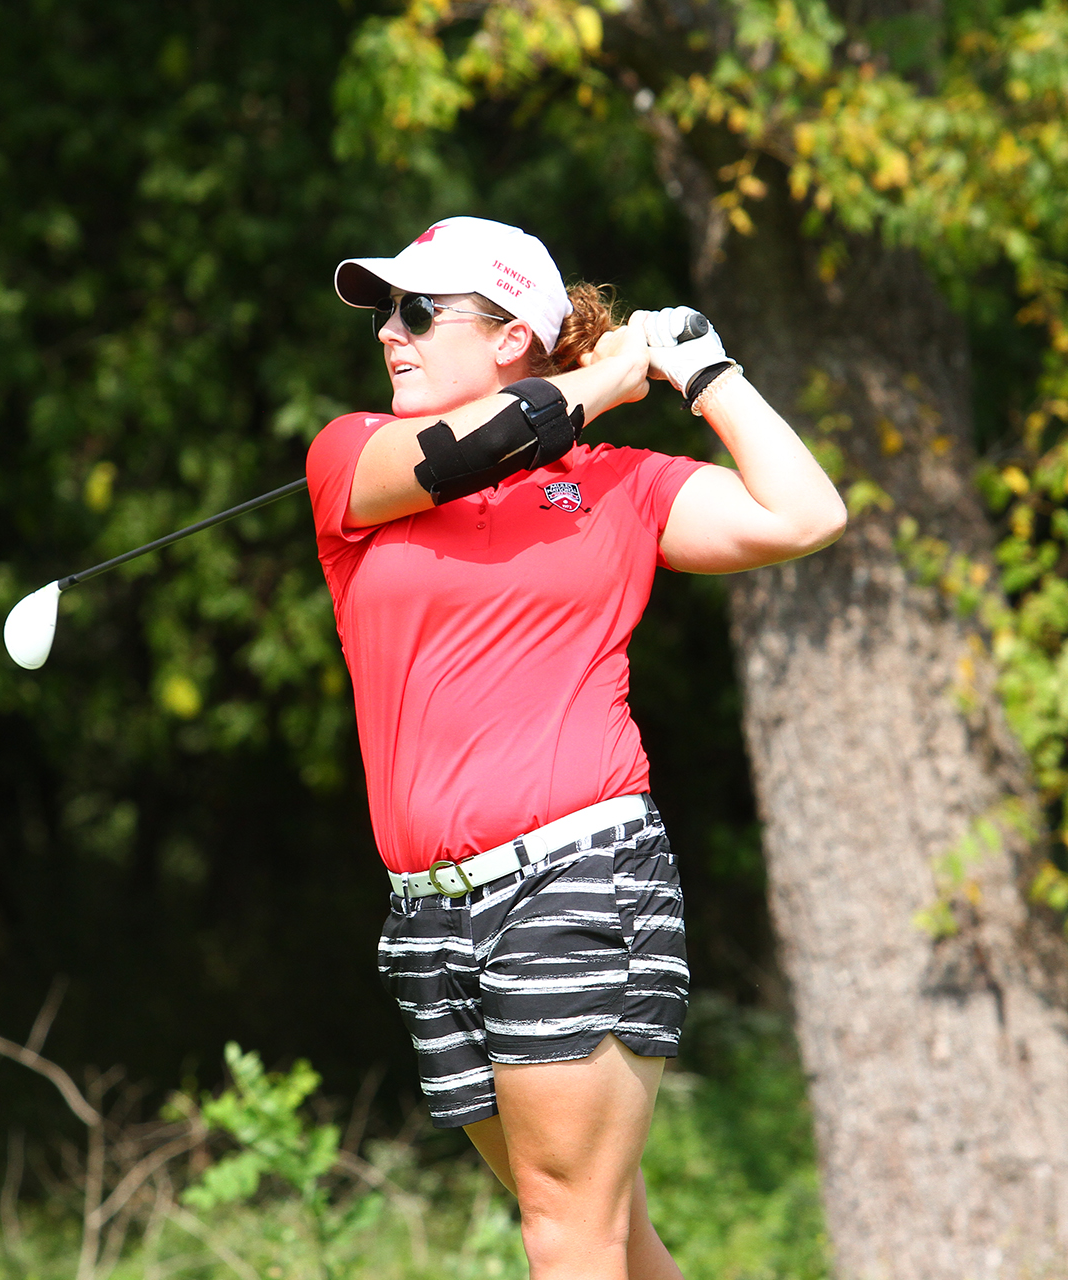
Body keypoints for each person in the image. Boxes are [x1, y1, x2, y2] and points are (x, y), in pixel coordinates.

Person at [304, 216, 845, 1280]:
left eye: (418, 311)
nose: (390, 334)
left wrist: (705, 372)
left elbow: (804, 513)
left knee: (567, 1230)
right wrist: (605, 378)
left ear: (513, 337)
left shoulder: (618, 486)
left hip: (576, 877)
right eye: (385, 314)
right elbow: (461, 452)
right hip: (429, 914)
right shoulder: (354, 456)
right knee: (611, 1239)